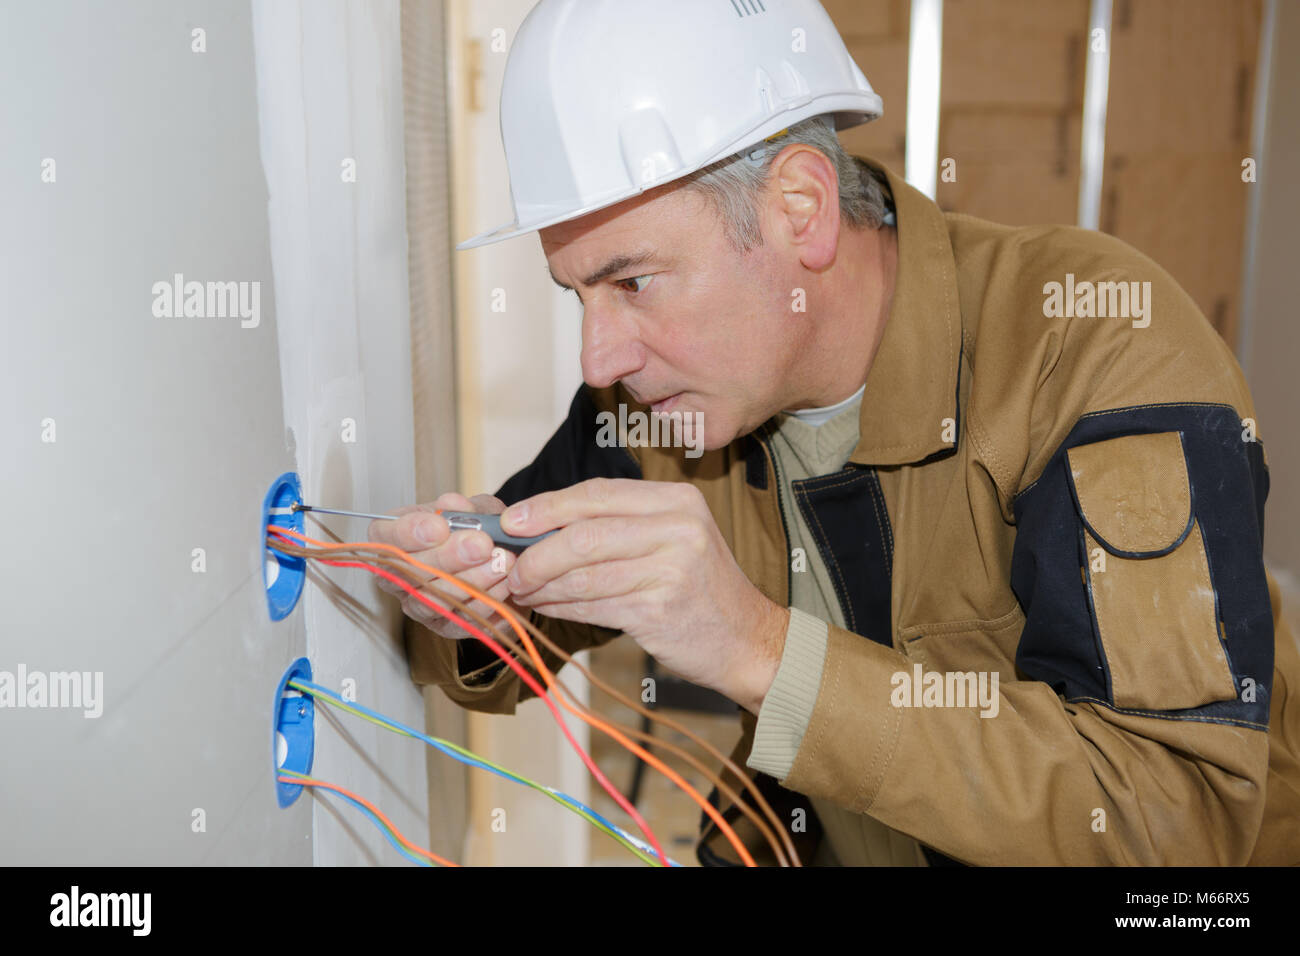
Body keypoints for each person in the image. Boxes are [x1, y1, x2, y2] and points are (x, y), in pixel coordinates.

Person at [371, 0, 1300, 865]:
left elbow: (1172, 820)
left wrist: (757, 648)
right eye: (575, 293)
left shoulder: (1091, 349)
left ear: (800, 210)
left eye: (632, 282)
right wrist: (459, 606)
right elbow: (497, 632)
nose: (598, 356)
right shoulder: (657, 404)